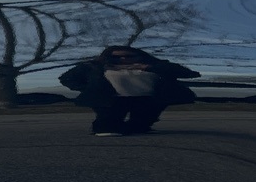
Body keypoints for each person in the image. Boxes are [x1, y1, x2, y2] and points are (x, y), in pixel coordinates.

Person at [58, 45, 199, 136]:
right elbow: (67, 79)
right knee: (108, 127)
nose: (123, 58)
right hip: (112, 98)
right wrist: (90, 89)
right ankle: (106, 126)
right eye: (116, 57)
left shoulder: (157, 65)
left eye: (129, 56)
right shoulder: (93, 67)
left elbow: (190, 74)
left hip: (149, 98)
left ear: (140, 55)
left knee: (141, 126)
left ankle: (137, 126)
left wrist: (148, 68)